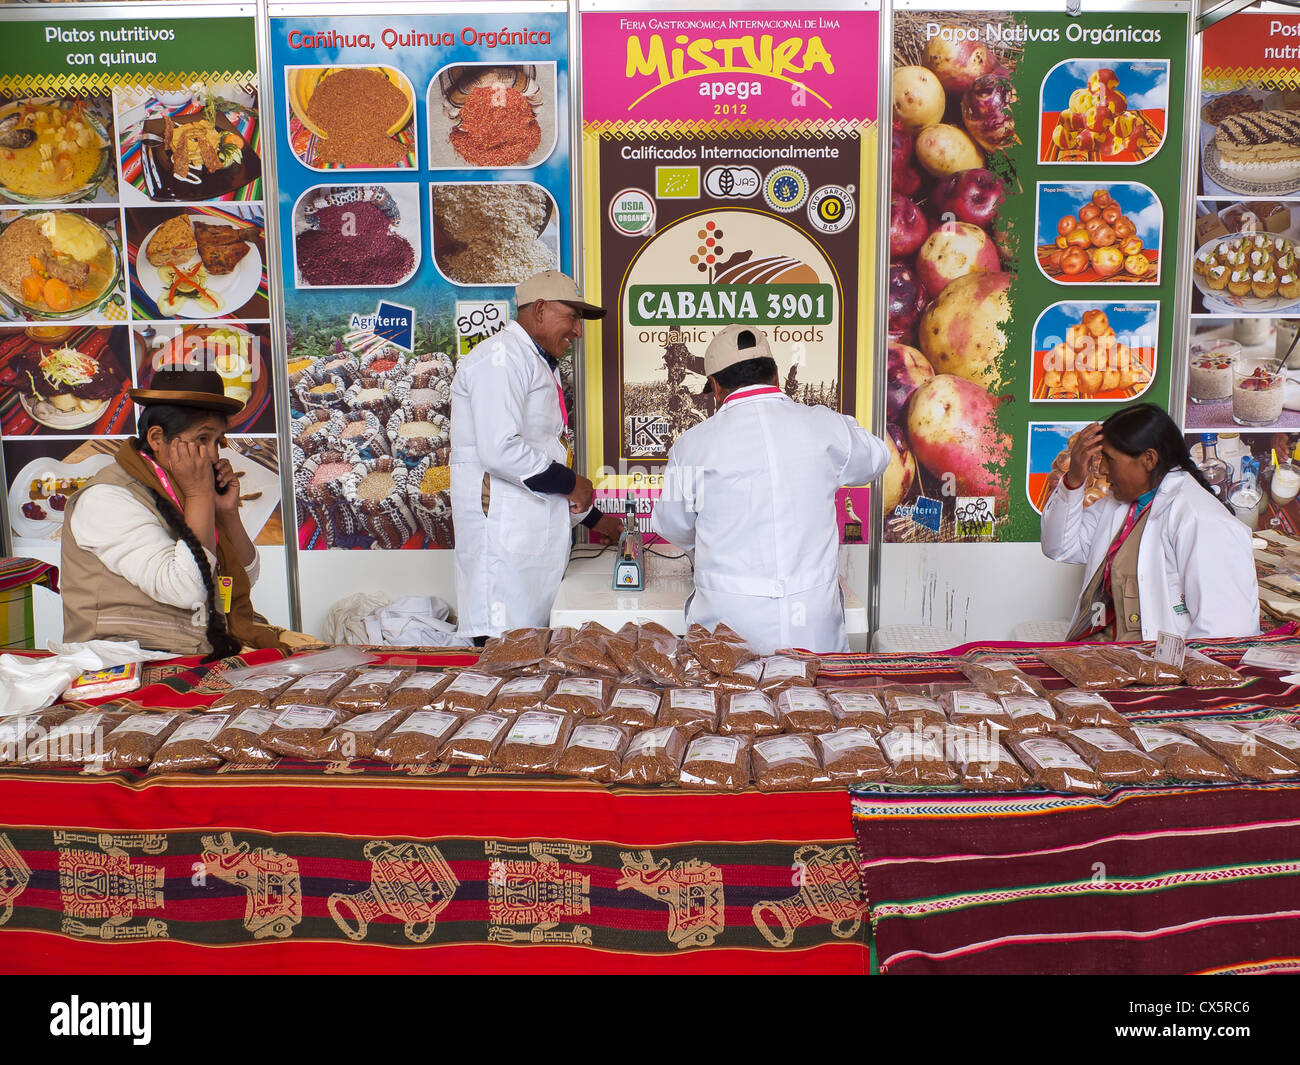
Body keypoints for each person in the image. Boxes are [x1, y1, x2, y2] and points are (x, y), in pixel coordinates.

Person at [650, 325, 889, 653]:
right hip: (811, 622)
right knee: (811, 700)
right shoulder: (824, 425)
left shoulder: (691, 446)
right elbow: (876, 458)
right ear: (775, 375)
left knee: (730, 703)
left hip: (727, 624)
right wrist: (841, 427)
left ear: (716, 388)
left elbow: (672, 526)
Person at [61, 368, 314, 660]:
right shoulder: (106, 498)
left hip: (194, 647)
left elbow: (247, 575)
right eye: (202, 439)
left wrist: (227, 514)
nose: (213, 456)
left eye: (217, 441)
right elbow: (186, 590)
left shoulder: (181, 484)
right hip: (126, 659)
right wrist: (199, 496)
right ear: (157, 438)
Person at [451, 270, 623, 640]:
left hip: (528, 546)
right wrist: (572, 483)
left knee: (528, 663)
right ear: (540, 310)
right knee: (502, 661)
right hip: (503, 555)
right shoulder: (499, 358)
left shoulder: (534, 361)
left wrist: (595, 519)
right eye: (572, 317)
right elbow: (500, 450)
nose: (578, 331)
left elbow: (542, 453)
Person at [1041, 403, 1259, 641]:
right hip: (1105, 653)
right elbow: (1060, 547)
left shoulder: (1201, 518)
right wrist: (1074, 478)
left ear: (1148, 459)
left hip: (1156, 669)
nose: (1102, 470)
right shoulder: (1121, 504)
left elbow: (1225, 631)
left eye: (1109, 460)